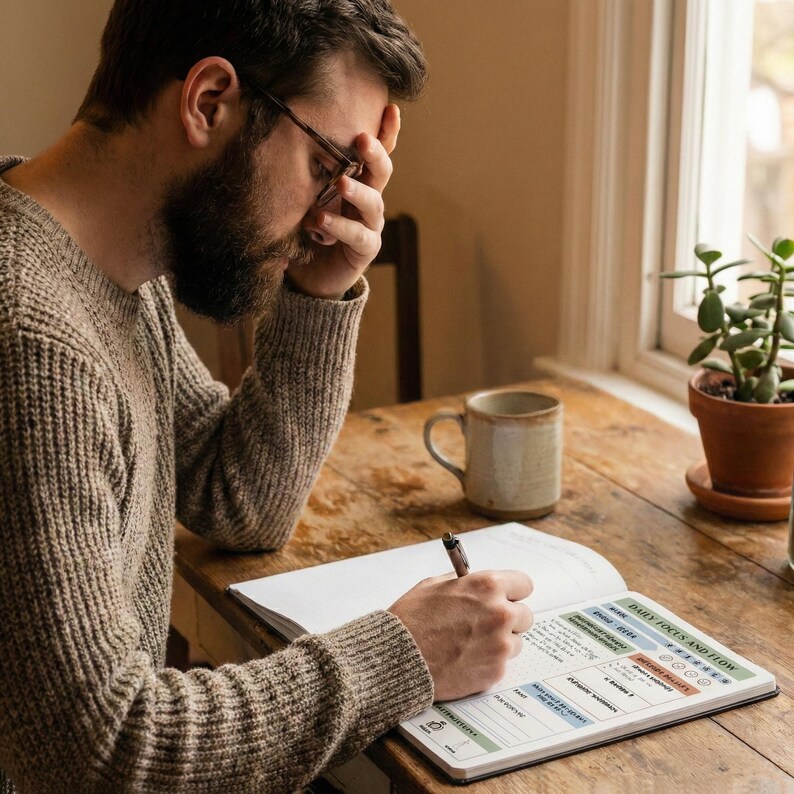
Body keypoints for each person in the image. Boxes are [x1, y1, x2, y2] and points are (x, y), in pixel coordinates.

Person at [0, 0, 534, 791]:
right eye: (325, 166)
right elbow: (102, 752)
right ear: (209, 102)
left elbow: (238, 500)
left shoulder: (104, 270)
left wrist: (320, 294)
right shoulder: (29, 338)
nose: (329, 216)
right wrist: (403, 654)